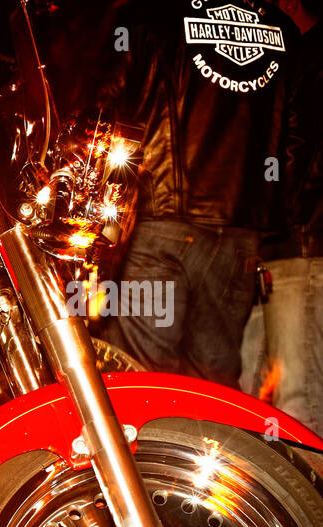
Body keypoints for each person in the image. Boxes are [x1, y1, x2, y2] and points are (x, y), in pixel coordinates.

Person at [97, 0, 300, 388]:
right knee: (214, 383)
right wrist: (271, 220)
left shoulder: (149, 13)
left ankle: (144, 448)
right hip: (240, 227)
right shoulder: (282, 30)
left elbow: (108, 106)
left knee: (144, 379)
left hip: (160, 218)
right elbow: (294, 139)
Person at [240, 0, 323, 433]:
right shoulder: (300, 58)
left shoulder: (308, 60)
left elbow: (298, 152)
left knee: (298, 396)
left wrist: (276, 217)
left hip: (300, 244)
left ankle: (307, 500)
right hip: (283, 245)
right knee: (249, 395)